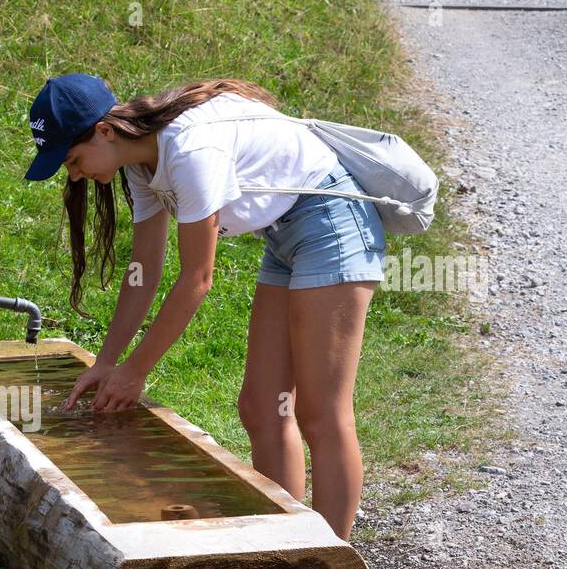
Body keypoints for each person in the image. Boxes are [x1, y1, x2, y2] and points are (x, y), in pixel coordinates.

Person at [23, 73, 386, 540]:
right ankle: (288, 547)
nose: (75, 174)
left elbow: (197, 279)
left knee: (322, 413)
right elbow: (144, 272)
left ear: (105, 130)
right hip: (285, 233)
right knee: (262, 407)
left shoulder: (189, 151)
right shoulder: (139, 166)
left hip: (332, 223)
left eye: (73, 159)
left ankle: (332, 565)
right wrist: (108, 361)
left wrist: (136, 371)